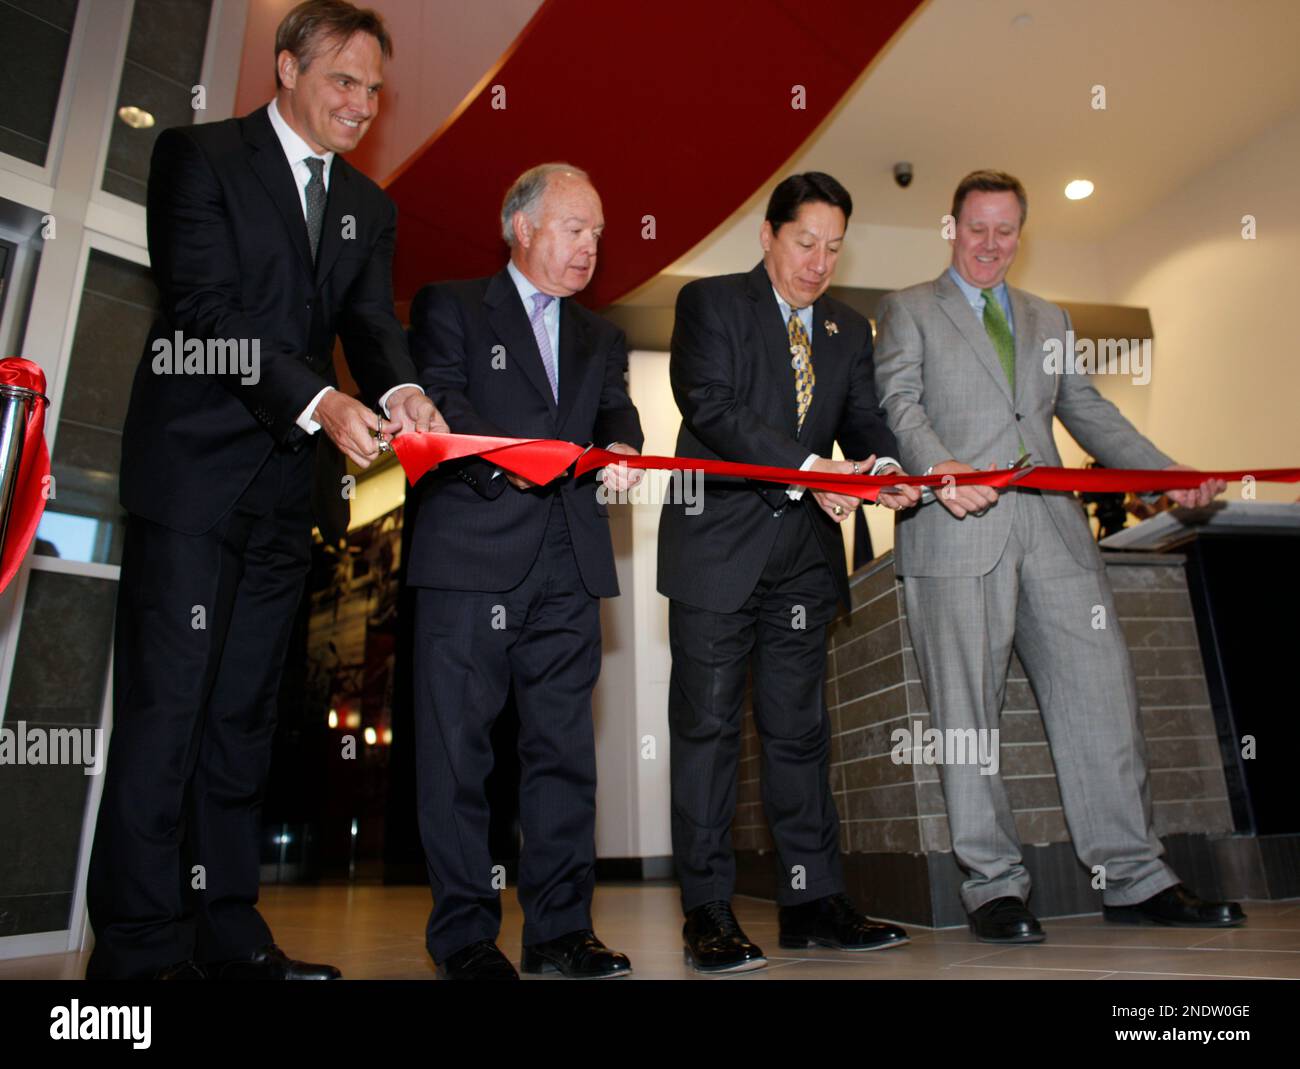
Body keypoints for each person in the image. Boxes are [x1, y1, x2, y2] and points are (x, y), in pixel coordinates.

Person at [87, 0, 444, 980]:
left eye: (374, 89)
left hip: (286, 496)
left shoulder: (369, 206)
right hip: (193, 482)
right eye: (343, 80)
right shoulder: (196, 158)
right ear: (285, 66)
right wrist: (320, 400)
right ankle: (136, 951)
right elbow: (205, 313)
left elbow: (370, 324)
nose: (361, 103)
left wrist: (403, 391)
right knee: (168, 711)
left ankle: (225, 926)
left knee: (244, 716)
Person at [873, 169, 1243, 943]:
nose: (990, 244)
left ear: (1021, 234)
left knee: (1102, 699)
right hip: (957, 528)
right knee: (968, 718)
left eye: (1005, 230)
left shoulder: (1049, 317)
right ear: (952, 228)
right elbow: (900, 402)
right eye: (976, 227)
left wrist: (1168, 478)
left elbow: (1087, 411)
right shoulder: (908, 308)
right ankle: (994, 887)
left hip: (1056, 536)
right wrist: (944, 470)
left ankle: (1135, 876)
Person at [657, 172, 922, 973]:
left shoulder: (847, 328)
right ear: (767, 234)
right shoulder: (710, 305)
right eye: (805, 242)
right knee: (705, 732)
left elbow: (864, 420)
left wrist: (882, 465)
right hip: (718, 553)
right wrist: (813, 467)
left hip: (805, 560)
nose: (818, 262)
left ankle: (812, 900)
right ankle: (707, 909)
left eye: (834, 247)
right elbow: (710, 406)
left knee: (799, 734)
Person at [407, 163, 644, 981]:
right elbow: (441, 401)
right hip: (472, 554)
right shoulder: (451, 304)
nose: (590, 246)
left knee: (563, 752)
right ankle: (466, 936)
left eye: (599, 233)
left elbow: (617, 409)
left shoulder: (602, 335)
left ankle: (560, 931)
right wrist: (516, 462)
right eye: (575, 228)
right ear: (523, 226)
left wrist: (622, 447)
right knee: (458, 753)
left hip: (570, 563)